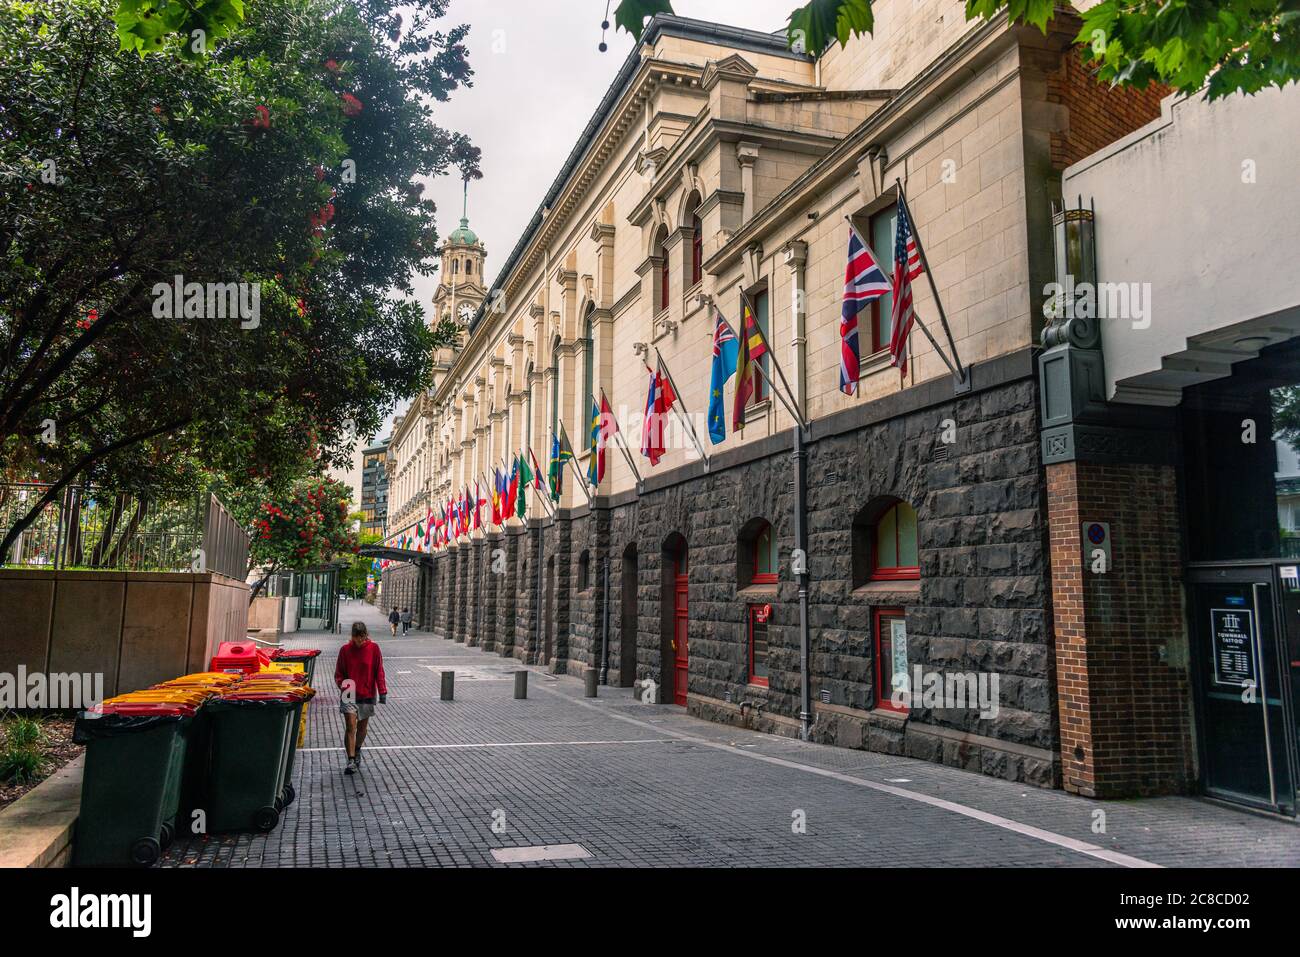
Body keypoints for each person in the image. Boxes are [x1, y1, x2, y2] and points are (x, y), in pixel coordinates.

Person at [335, 621, 387, 775]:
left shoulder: (373, 649)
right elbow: (339, 672)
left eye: (361, 637)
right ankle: (351, 760)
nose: (358, 641)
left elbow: (379, 671)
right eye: (355, 638)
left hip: (367, 691)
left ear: (365, 635)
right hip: (349, 691)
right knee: (351, 725)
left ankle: (357, 749)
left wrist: (382, 691)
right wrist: (343, 685)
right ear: (352, 636)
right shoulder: (345, 650)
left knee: (362, 728)